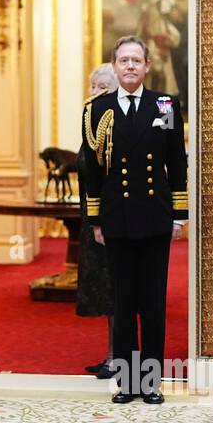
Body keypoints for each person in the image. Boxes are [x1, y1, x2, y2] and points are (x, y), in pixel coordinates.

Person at [82, 36, 188, 405]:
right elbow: (91, 172)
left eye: (136, 61)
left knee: (153, 302)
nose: (130, 66)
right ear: (114, 66)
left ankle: (152, 382)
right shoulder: (97, 110)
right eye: (123, 60)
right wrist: (95, 220)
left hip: (156, 218)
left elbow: (177, 163)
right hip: (117, 219)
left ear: (147, 66)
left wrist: (179, 215)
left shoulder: (165, 104)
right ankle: (127, 382)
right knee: (124, 302)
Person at [78, 63, 118, 380]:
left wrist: (102, 221)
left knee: (117, 291)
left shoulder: (117, 127)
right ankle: (111, 355)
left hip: (111, 223)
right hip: (93, 222)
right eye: (93, 86)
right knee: (106, 293)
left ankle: (119, 358)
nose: (95, 92)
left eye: (102, 87)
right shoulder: (92, 126)